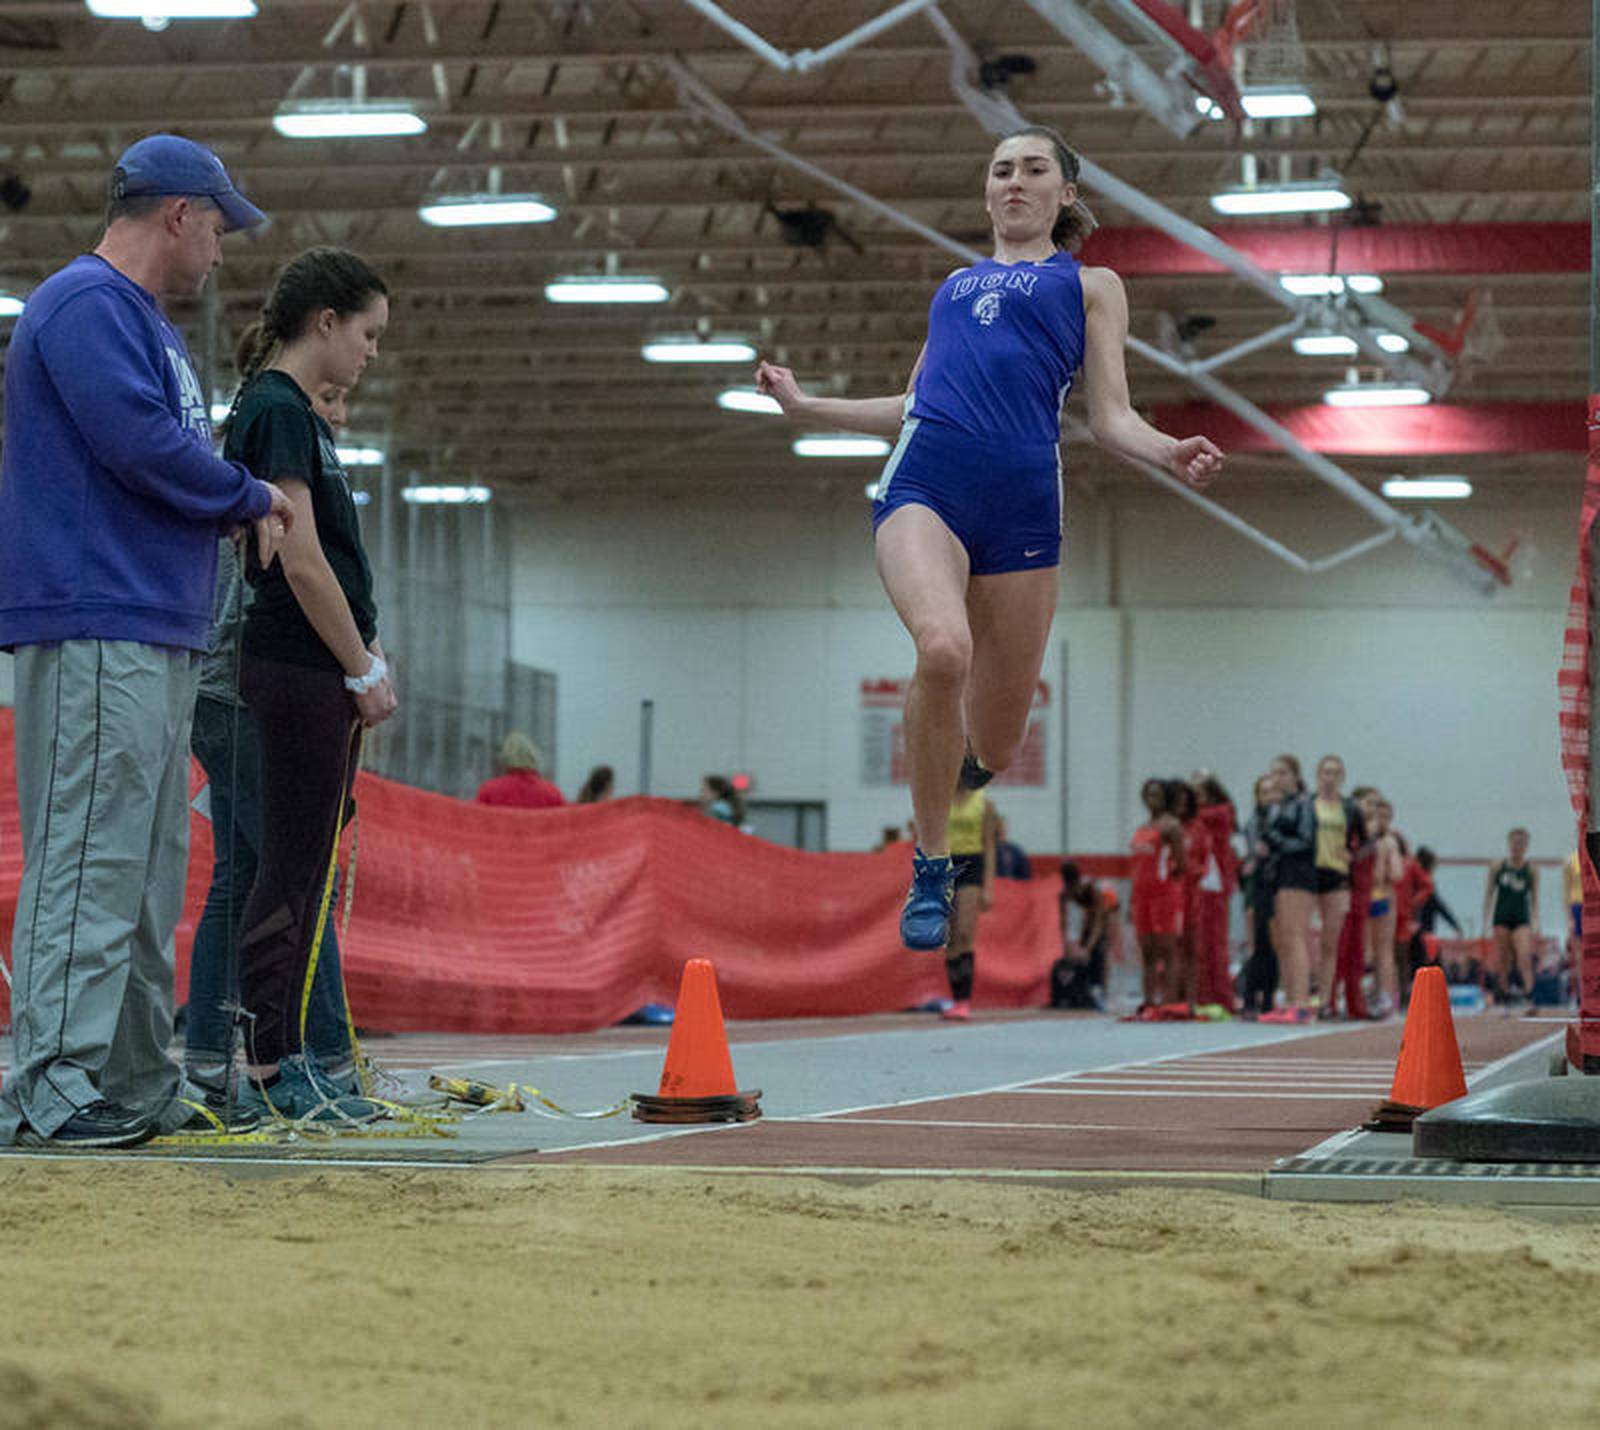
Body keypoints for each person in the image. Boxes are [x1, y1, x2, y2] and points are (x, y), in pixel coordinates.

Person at [755, 125, 1221, 952]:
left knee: (999, 743)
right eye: (1001, 170)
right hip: (924, 483)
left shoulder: (1091, 285)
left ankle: (959, 770)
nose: (1015, 181)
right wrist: (807, 406)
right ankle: (933, 862)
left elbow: (1109, 416)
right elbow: (911, 403)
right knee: (942, 649)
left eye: (1034, 169)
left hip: (1023, 507)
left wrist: (1167, 449)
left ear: (1064, 194)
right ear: (986, 192)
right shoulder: (954, 286)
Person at [0, 135, 295, 1149]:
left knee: (143, 864)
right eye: (217, 225)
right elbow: (138, 444)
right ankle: (46, 1083)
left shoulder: (142, 323)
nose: (220, 248)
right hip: (96, 620)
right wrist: (247, 493)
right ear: (178, 213)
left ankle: (126, 1072)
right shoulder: (83, 306)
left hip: (149, 629)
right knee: (90, 857)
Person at [227, 245, 398, 1123]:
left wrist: (366, 645)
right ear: (324, 323)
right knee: (289, 872)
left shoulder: (300, 417)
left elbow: (332, 556)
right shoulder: (274, 410)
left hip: (314, 668)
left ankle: (284, 1057)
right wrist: (358, 664)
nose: (370, 352)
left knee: (303, 869)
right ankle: (268, 1065)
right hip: (296, 666)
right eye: (365, 333)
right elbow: (300, 561)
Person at [183, 381, 360, 1116]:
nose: (342, 412)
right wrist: (360, 665)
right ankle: (312, 1063)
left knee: (244, 875)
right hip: (240, 695)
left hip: (222, 693)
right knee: (293, 881)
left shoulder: (260, 458)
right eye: (334, 396)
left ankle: (210, 1059)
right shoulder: (274, 459)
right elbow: (297, 579)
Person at [1309, 755, 1365, 1017]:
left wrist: (1353, 856)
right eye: (1325, 772)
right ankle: (1300, 994)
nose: (1329, 778)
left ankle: (1324, 1001)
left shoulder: (1350, 808)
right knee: (1305, 938)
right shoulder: (1307, 804)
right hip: (1309, 875)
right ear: (1318, 775)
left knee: (1330, 943)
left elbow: (1367, 842)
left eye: (1335, 773)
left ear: (1341, 777)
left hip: (1338, 877)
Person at [1261, 753, 1315, 1018]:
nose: (1277, 778)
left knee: (1294, 937)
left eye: (1282, 773)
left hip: (1298, 874)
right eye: (1274, 773)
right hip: (1281, 874)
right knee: (1284, 939)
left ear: (1295, 776)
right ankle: (1292, 998)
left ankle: (1301, 1002)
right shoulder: (1279, 806)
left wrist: (1275, 840)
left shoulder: (1303, 804)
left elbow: (1306, 841)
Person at [941, 786, 997, 1020]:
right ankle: (955, 999)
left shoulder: (984, 803)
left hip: (972, 863)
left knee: (965, 932)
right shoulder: (940, 799)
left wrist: (989, 887)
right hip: (946, 863)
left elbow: (990, 847)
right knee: (950, 937)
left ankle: (964, 1001)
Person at [1129, 778, 1185, 1006]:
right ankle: (1149, 1000)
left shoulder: (1171, 826)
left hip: (1163, 893)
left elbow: (1181, 863)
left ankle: (1170, 1000)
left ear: (1166, 798)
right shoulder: (1142, 827)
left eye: (1158, 795)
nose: (1153, 800)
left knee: (1167, 949)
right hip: (1141, 894)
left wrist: (1169, 886)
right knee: (1147, 950)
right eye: (1149, 795)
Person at [1239, 773, 1280, 1015]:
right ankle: (1250, 995)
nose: (1270, 797)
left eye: (1273, 792)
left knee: (1273, 944)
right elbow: (1251, 855)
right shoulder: (1253, 822)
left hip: (1277, 885)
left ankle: (1268, 996)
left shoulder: (1284, 819)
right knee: (1258, 943)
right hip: (1257, 887)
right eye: (1265, 792)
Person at [1483, 827, 1539, 1004]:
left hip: (1521, 918)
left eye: (1521, 843)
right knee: (1503, 959)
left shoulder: (1531, 870)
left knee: (1524, 956)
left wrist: (1536, 923)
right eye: (1514, 843)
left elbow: (1534, 900)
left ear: (1526, 846)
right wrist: (1485, 920)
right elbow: (1489, 894)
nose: (1517, 846)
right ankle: (1505, 993)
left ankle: (1529, 993)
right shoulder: (1498, 866)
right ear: (1509, 844)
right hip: (1502, 917)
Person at [1054, 861, 1117, 1010]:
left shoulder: (1092, 891)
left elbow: (1098, 924)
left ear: (1077, 883)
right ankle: (1080, 990)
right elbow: (1065, 923)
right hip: (1086, 920)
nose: (1072, 893)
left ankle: (1100, 989)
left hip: (1106, 912)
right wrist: (1068, 945)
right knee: (1077, 953)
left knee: (1099, 949)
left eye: (1074, 890)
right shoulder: (1064, 895)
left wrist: (1087, 949)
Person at [1365, 796, 1407, 1015]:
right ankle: (1374, 991)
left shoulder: (1389, 842)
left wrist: (1383, 867)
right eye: (1375, 816)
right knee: (1368, 950)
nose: (1379, 821)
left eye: (1384, 817)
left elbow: (1397, 873)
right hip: (1366, 895)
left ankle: (1386, 995)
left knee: (1383, 949)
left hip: (1382, 896)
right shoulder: (1366, 840)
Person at [477, 732, 565, 809]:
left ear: (504, 758)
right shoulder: (552, 793)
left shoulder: (488, 791)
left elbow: (473, 821)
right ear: (533, 756)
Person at [993, 814, 1032, 879]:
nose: (1000, 829)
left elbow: (1026, 879)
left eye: (1002, 827)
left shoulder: (1016, 852)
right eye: (998, 828)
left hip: (1011, 886)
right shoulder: (981, 851)